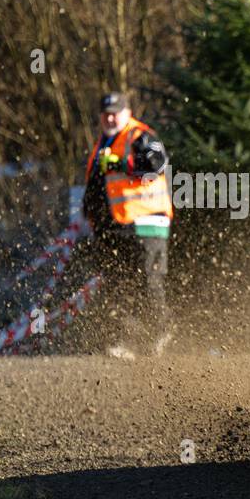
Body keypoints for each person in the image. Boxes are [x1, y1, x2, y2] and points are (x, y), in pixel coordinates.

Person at [80, 92, 173, 358]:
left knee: (147, 281)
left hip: (146, 222)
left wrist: (122, 163)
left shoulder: (139, 135)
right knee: (116, 285)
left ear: (127, 112)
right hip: (113, 226)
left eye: (115, 112)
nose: (110, 117)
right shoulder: (103, 142)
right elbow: (99, 184)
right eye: (106, 113)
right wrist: (89, 212)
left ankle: (160, 331)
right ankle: (125, 340)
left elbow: (157, 163)